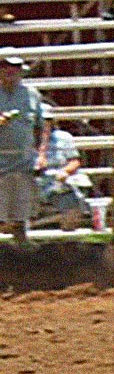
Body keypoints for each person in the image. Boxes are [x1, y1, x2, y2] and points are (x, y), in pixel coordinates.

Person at [0, 53, 47, 246]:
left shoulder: (32, 94)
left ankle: (22, 249)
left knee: (22, 209)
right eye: (5, 66)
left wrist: (42, 154)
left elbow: (41, 127)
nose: (10, 71)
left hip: (24, 159)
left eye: (15, 67)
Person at [35, 112, 89, 230]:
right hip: (32, 181)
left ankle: (67, 228)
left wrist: (65, 171)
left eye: (48, 121)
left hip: (57, 181)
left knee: (69, 193)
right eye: (42, 121)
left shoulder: (63, 137)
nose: (45, 124)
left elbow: (75, 161)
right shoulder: (24, 138)